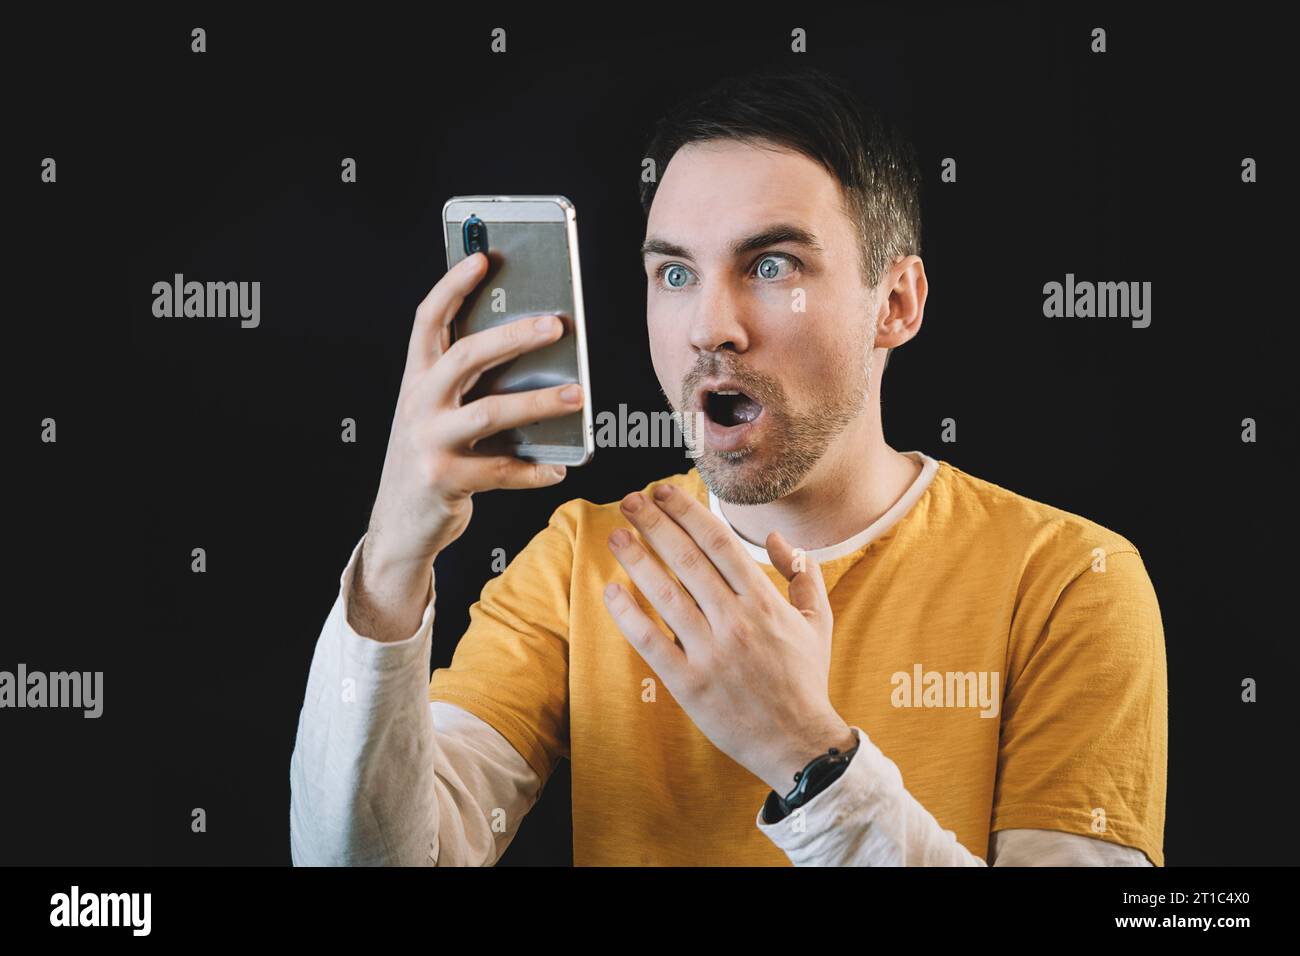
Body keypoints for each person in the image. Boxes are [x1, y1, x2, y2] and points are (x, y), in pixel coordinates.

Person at [289, 66, 1167, 866]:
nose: (711, 326)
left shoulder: (1067, 579)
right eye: (674, 274)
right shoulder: (581, 565)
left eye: (771, 264)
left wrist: (807, 755)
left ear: (894, 304)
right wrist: (393, 564)